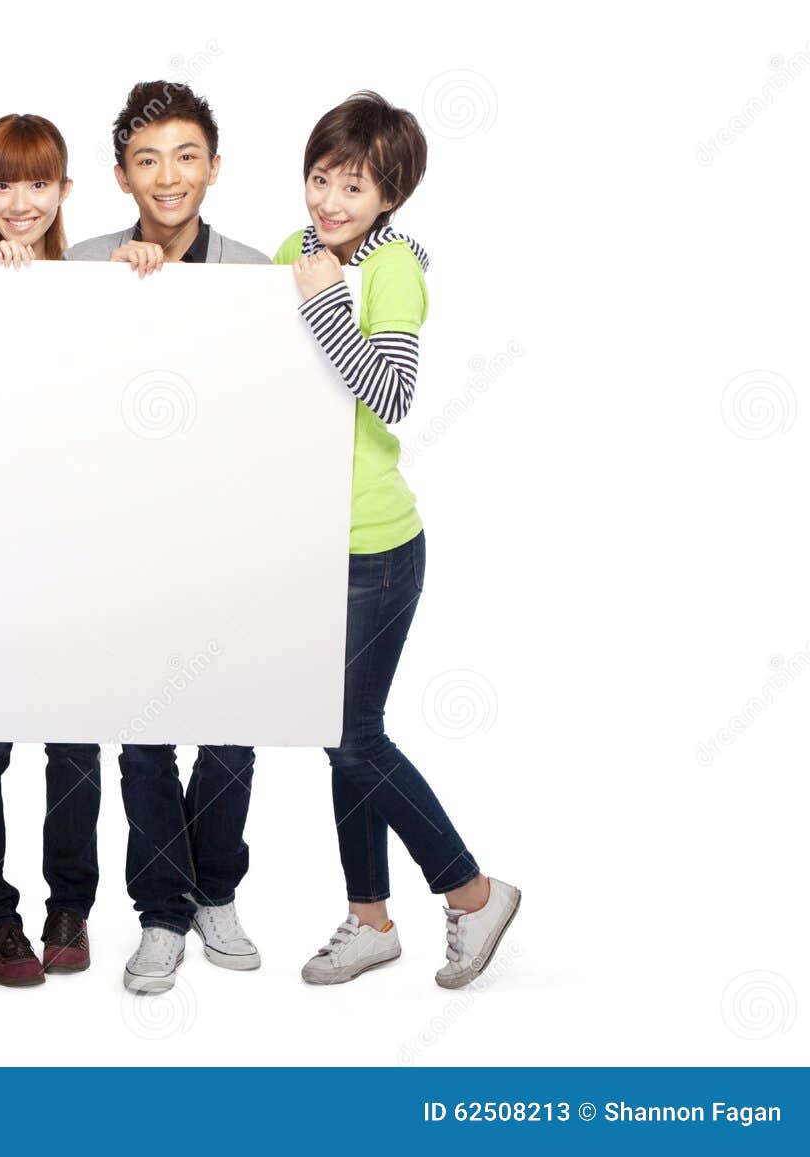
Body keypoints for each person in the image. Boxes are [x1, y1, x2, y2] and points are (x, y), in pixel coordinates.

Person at [274, 91, 521, 989]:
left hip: (375, 545)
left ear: (390, 196)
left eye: (355, 186)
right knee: (339, 734)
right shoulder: (295, 253)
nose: (331, 200)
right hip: (307, 541)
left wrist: (323, 305)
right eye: (321, 178)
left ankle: (471, 891)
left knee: (353, 737)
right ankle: (371, 919)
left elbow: (390, 393)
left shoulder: (391, 268)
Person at [66, 82, 265, 994]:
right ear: (121, 176)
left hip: (227, 538)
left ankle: (214, 891)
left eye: (187, 156)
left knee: (231, 727)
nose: (168, 176)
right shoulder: (88, 264)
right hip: (125, 544)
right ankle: (160, 913)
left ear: (214, 167)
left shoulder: (255, 274)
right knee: (141, 733)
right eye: (147, 160)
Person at [0, 114, 99, 988]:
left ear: (64, 190)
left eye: (38, 183)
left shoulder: (97, 285)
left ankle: (70, 905)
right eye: (2, 184)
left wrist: (132, 274)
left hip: (74, 555)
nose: (20, 202)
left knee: (76, 743)